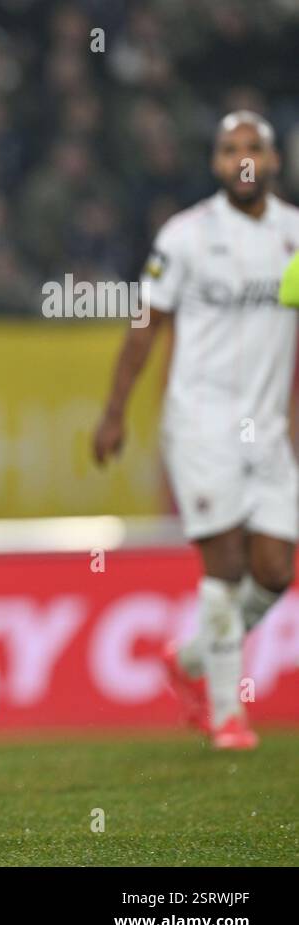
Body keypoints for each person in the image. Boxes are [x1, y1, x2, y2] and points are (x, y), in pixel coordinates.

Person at [93, 111, 299, 750]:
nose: (243, 160)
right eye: (230, 149)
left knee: (276, 570)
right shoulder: (184, 236)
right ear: (215, 163)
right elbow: (144, 327)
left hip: (265, 431)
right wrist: (114, 411)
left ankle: (187, 660)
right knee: (227, 567)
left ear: (273, 161)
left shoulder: (295, 237)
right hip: (201, 424)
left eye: (254, 149)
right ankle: (226, 715)